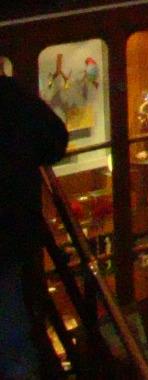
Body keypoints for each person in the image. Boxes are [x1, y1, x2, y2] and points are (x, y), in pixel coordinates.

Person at [0, 73, 68, 380]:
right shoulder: (10, 96)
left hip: (10, 235)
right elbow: (55, 141)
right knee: (12, 333)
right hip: (11, 232)